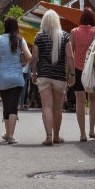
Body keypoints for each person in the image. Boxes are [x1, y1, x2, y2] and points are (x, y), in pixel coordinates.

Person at [31, 9, 73, 145]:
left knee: (46, 107)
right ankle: (56, 136)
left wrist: (34, 73)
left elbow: (35, 58)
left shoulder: (39, 37)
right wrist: (71, 74)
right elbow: (70, 57)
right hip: (59, 76)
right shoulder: (65, 37)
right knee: (57, 108)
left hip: (44, 75)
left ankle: (48, 136)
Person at [0, 16, 31, 144]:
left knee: (6, 106)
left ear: (5, 26)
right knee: (14, 106)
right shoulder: (20, 40)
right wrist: (22, 63)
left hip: (4, 76)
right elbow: (29, 57)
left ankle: (7, 133)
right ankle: (11, 135)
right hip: (17, 77)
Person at [70, 6, 95, 141]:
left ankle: (82, 133)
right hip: (92, 68)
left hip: (78, 68)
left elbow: (71, 53)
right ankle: (92, 130)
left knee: (80, 102)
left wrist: (69, 72)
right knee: (93, 100)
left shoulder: (74, 32)